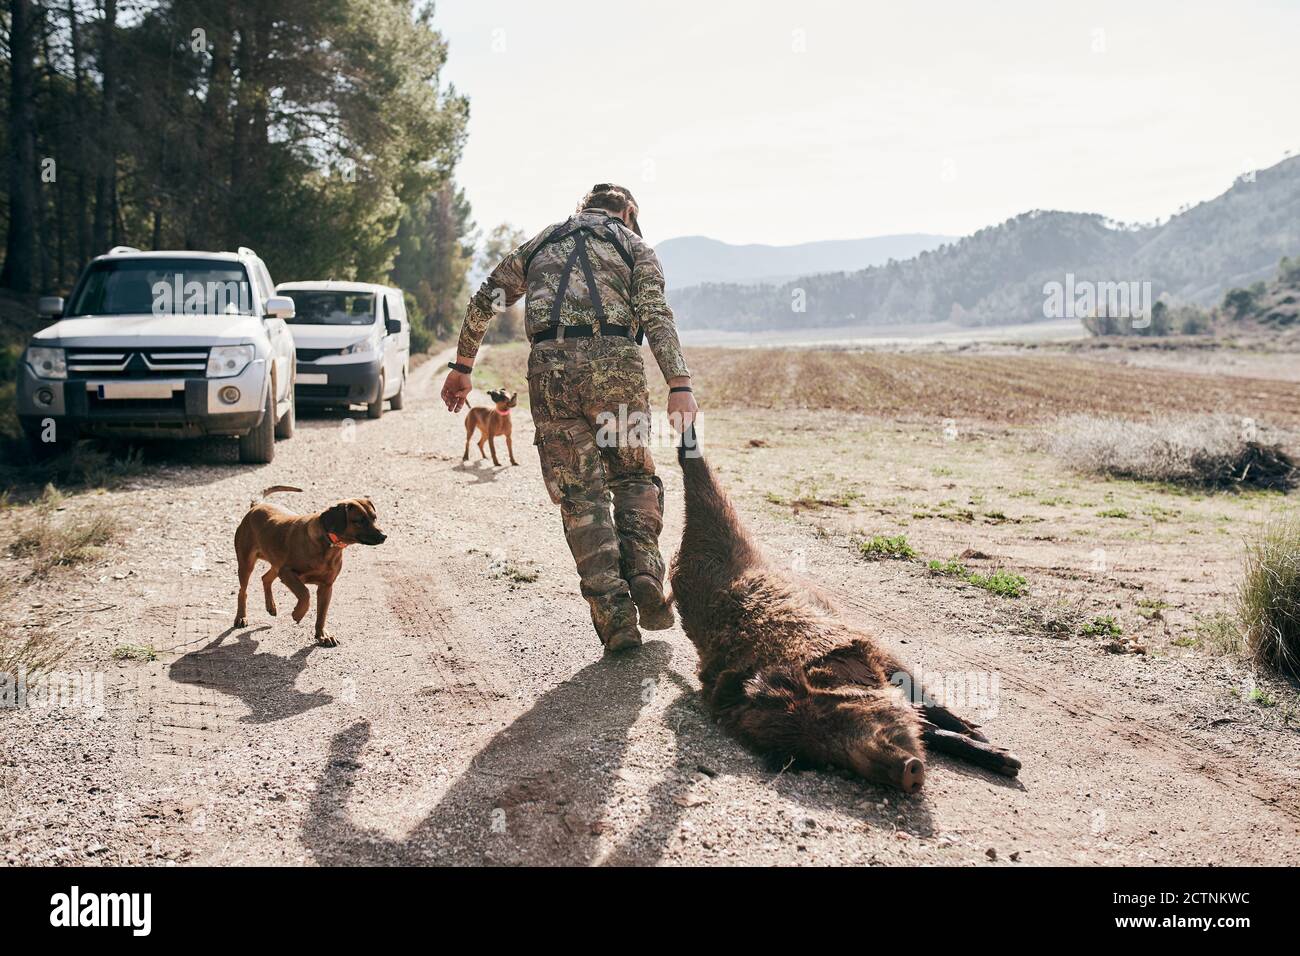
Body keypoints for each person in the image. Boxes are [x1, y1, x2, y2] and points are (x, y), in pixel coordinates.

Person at [442, 184, 697, 653]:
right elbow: (656, 314)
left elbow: (485, 301)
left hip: (549, 371)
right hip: (617, 368)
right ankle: (643, 571)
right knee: (634, 475)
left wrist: (462, 367)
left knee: (579, 495)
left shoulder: (540, 242)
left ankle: (614, 616)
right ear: (629, 211)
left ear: (582, 207)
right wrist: (678, 384)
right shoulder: (634, 245)